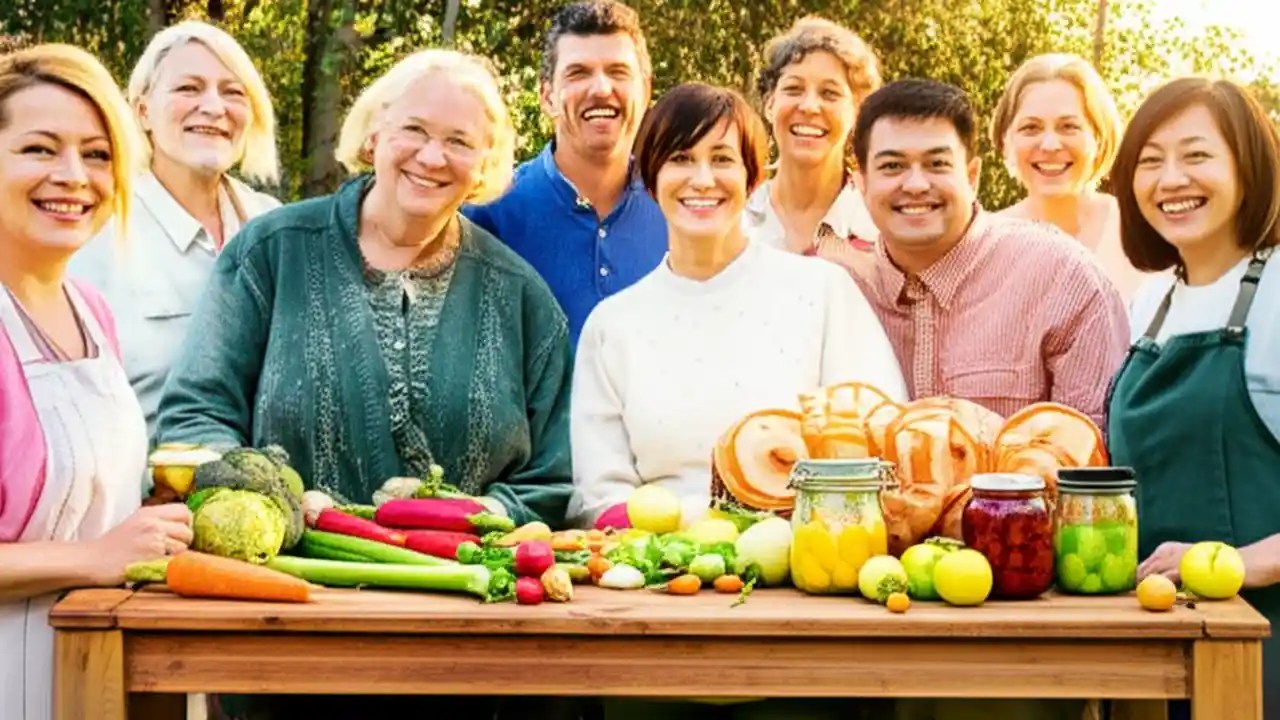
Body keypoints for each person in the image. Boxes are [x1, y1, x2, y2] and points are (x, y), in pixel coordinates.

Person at [155, 48, 572, 531]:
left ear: (485, 165)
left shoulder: (521, 297)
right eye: (413, 129)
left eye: (459, 141)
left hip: (470, 586)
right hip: (284, 581)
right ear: (374, 135)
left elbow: (552, 474)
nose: (432, 156)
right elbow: (197, 411)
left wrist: (480, 517)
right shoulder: (271, 253)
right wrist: (263, 503)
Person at [569, 82, 906, 538]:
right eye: (681, 158)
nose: (703, 179)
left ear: (753, 178)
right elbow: (600, 496)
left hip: (807, 565)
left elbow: (878, 446)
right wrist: (689, 531)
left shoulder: (822, 291)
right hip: (663, 578)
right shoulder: (613, 326)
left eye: (723, 159)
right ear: (651, 180)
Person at [0, 44, 193, 720]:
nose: (74, 176)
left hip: (91, 674)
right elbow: (99, 548)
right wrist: (97, 556)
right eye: (39, 149)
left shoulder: (91, 312)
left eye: (99, 154)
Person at [1107, 78, 1280, 719]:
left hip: (1262, 643)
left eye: (1196, 155)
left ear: (1249, 164)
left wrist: (1241, 563)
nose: (1170, 178)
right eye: (1150, 161)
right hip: (1156, 648)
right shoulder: (1147, 305)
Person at [850, 79, 1129, 429]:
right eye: (892, 166)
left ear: (972, 176)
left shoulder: (1063, 280)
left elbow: (1093, 460)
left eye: (937, 164)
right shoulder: (841, 291)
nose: (916, 185)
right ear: (860, 183)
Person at [70, 21, 281, 440]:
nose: (213, 106)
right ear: (143, 110)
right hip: (142, 496)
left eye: (233, 92)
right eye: (189, 88)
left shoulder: (276, 226)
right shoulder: (94, 229)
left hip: (271, 493)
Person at [464, 0, 666, 347]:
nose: (601, 89)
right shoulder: (490, 215)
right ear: (547, 97)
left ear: (645, 90)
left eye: (618, 71)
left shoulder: (679, 211)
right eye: (578, 73)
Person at [991, 53, 1146, 300]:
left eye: (1069, 126)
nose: (1050, 144)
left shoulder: (1141, 231)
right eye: (1031, 127)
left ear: (1099, 136)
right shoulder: (983, 247)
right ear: (1005, 139)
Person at [745, 16, 881, 279]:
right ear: (769, 103)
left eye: (829, 93)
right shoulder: (731, 225)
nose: (809, 106)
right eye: (794, 89)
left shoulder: (882, 228)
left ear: (858, 112)